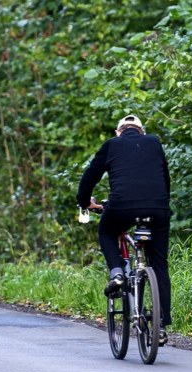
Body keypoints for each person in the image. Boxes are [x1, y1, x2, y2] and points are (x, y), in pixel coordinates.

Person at [76, 114, 172, 344]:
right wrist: (161, 203)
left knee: (107, 232)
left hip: (121, 207)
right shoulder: (154, 142)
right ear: (141, 131)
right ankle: (161, 325)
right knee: (159, 264)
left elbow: (90, 176)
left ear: (118, 132)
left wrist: (84, 202)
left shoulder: (111, 145)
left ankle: (117, 272)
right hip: (158, 208)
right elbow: (165, 178)